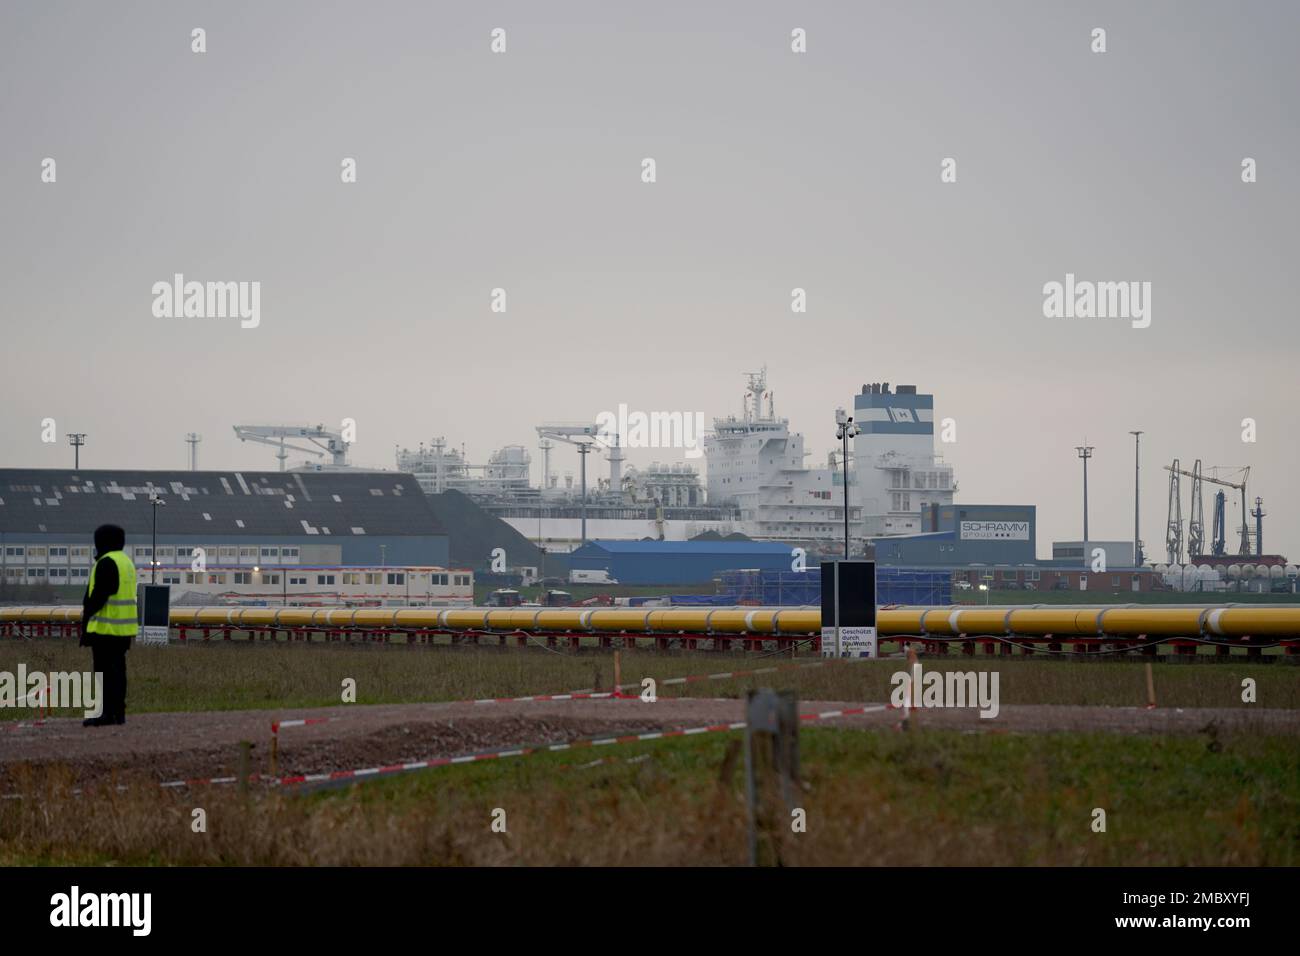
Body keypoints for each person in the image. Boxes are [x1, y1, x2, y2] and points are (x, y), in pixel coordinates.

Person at [81, 523, 137, 726]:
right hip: (123, 629)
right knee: (118, 672)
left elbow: (99, 596)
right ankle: (118, 713)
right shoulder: (126, 562)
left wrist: (87, 616)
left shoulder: (107, 562)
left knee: (104, 672)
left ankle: (107, 713)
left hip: (106, 629)